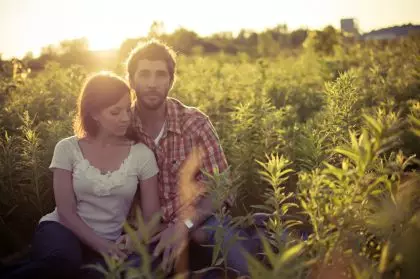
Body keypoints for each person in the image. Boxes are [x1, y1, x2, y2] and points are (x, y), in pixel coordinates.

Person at [1, 72, 161, 279]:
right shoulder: (67, 148)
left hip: (110, 242)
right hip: (61, 230)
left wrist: (135, 238)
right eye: (115, 112)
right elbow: (66, 212)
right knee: (62, 262)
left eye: (127, 110)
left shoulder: (142, 154)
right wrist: (102, 246)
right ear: (94, 113)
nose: (125, 118)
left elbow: (152, 217)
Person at [122, 39, 259, 277]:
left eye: (160, 75)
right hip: (150, 234)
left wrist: (182, 226)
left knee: (247, 268)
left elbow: (221, 187)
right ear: (131, 80)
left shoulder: (194, 123)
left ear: (171, 81)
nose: (152, 83)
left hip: (203, 223)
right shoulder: (121, 128)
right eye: (144, 74)